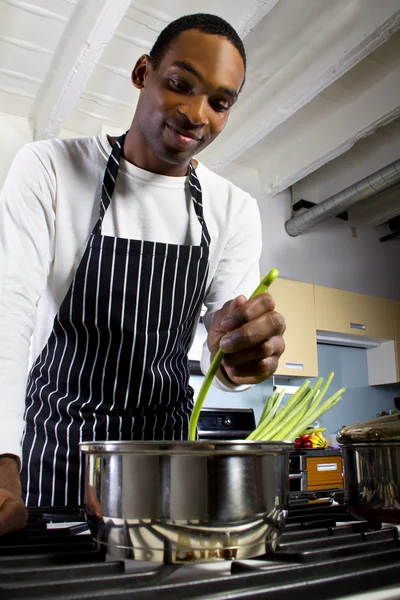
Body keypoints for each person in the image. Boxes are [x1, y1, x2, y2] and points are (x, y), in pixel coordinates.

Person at [0, 13, 285, 535]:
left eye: (220, 103)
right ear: (141, 72)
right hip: (54, 458)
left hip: (164, 473)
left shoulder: (233, 210)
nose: (196, 114)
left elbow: (219, 353)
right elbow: (9, 314)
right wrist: (2, 459)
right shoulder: (49, 169)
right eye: (180, 85)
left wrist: (241, 355)